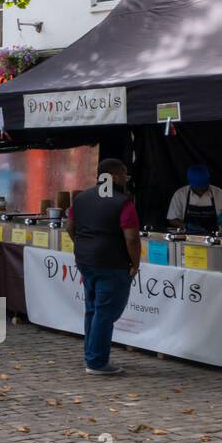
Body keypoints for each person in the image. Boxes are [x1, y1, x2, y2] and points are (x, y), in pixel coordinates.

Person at [66, 158, 141, 376]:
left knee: (93, 309)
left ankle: (91, 355)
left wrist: (82, 244)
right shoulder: (123, 202)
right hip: (112, 263)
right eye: (124, 175)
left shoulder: (80, 199)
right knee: (106, 313)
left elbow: (70, 227)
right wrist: (135, 263)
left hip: (85, 261)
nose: (126, 180)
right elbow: (132, 239)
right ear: (114, 176)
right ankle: (97, 362)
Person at [166, 164, 222, 234]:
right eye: (197, 187)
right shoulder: (180, 194)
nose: (200, 190)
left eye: (203, 186)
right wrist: (185, 226)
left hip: (214, 236)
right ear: (190, 182)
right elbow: (172, 219)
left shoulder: (219, 193)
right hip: (188, 236)